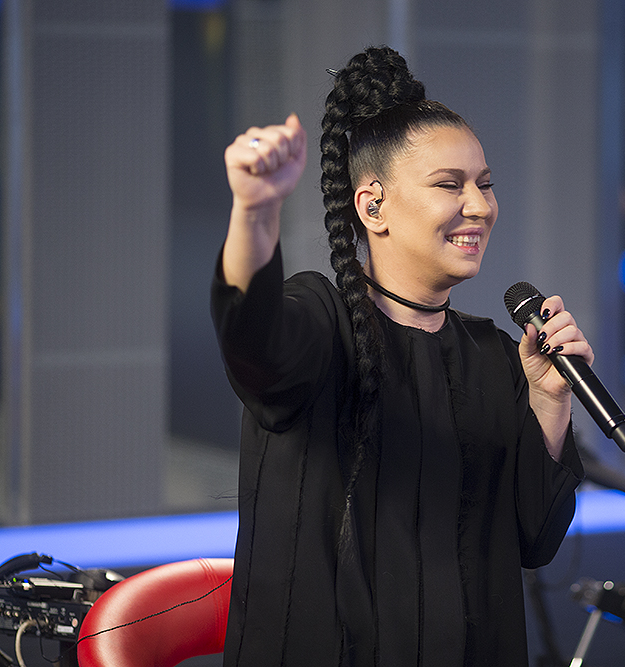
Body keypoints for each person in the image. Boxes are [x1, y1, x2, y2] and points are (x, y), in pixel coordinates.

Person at [211, 45, 590, 667]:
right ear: (373, 206)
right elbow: (251, 339)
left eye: (485, 184)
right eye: (450, 185)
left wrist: (550, 399)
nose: (480, 206)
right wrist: (255, 212)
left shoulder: (496, 356)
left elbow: (536, 539)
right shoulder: (321, 320)